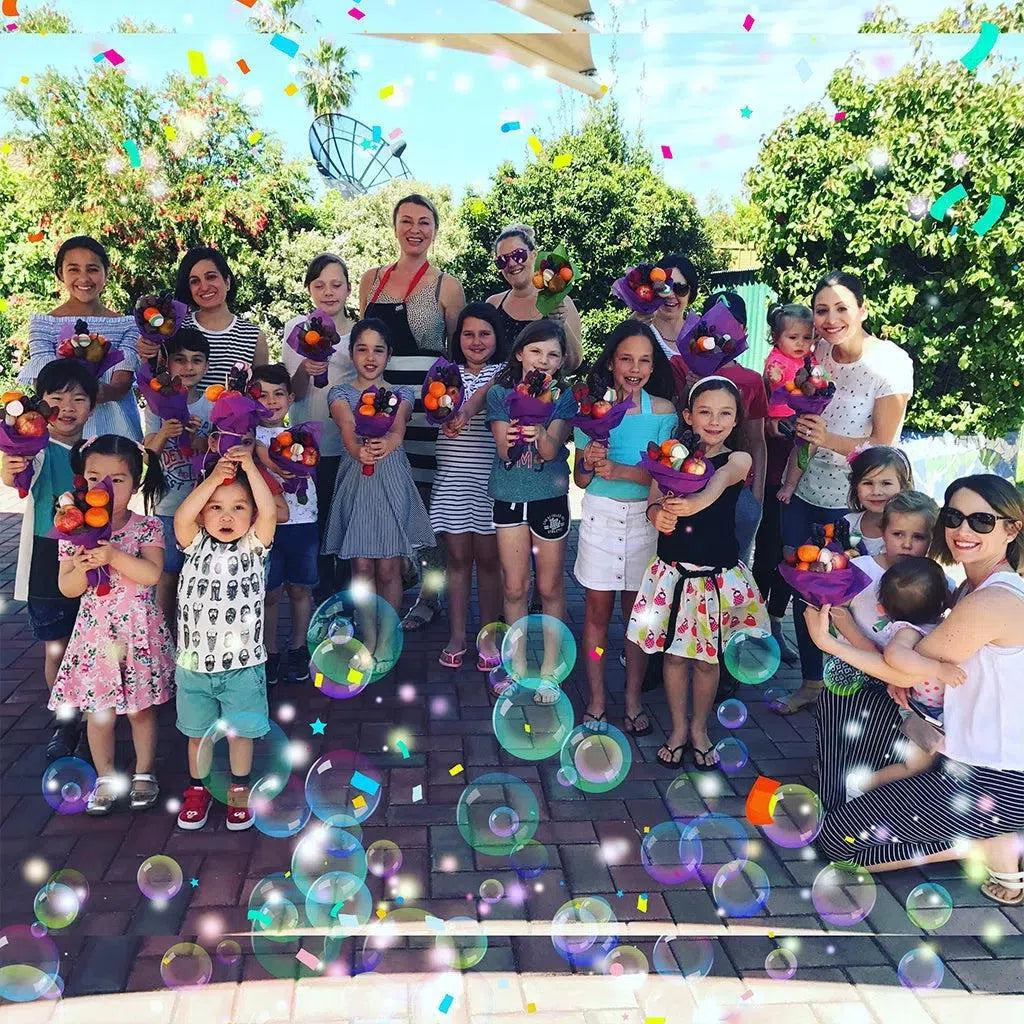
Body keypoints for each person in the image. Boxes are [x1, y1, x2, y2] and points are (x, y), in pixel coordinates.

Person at [809, 474, 1024, 907]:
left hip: (994, 778)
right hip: (959, 757)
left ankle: (988, 843)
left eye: (982, 521)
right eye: (955, 517)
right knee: (855, 792)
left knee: (838, 840)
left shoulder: (991, 601)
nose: (964, 530)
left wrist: (828, 642)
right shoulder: (968, 588)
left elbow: (902, 669)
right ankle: (983, 830)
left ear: (1011, 528)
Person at [772, 270, 914, 715]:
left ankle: (852, 695)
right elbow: (793, 407)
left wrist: (828, 439)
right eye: (822, 310)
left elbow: (885, 449)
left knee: (854, 600)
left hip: (855, 504)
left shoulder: (889, 363)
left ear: (862, 311)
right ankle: (812, 682)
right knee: (805, 587)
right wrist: (786, 424)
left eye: (841, 309)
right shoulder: (817, 354)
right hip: (804, 490)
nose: (830, 319)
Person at [626, 376, 767, 769]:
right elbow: (653, 503)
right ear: (688, 415)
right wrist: (661, 516)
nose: (714, 420)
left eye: (725, 413)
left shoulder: (738, 459)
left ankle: (700, 728)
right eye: (705, 411)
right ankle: (676, 728)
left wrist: (693, 503)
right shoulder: (669, 456)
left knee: (707, 661)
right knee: (673, 657)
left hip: (713, 580)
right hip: (672, 578)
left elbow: (719, 482)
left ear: (737, 419)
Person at [358, 193, 466, 631]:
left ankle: (429, 593)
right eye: (406, 221)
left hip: (426, 410)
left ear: (435, 229)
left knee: (428, 503)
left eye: (424, 222)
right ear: (395, 226)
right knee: (389, 497)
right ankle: (397, 576)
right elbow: (366, 342)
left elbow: (457, 355)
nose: (415, 229)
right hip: (379, 404)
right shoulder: (372, 280)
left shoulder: (446, 285)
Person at [48, 435, 172, 815]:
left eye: (117, 480)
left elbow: (151, 574)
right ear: (80, 481)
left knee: (140, 711)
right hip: (96, 636)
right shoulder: (73, 529)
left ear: (136, 485)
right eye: (93, 477)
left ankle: (144, 771)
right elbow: (66, 587)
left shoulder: (146, 527)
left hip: (136, 631)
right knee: (98, 713)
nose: (103, 487)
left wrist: (114, 555)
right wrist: (83, 568)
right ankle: (104, 776)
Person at [573, 320, 677, 734]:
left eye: (644, 361)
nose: (634, 368)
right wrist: (588, 459)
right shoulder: (592, 408)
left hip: (644, 522)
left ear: (653, 367)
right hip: (599, 517)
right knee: (596, 616)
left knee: (638, 618)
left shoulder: (664, 413)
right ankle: (597, 700)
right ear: (612, 362)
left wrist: (620, 469)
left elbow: (664, 478)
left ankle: (633, 700)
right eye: (626, 359)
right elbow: (581, 480)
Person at [807, 489, 942, 808]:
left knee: (886, 744)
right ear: (882, 532)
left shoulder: (934, 578)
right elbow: (839, 613)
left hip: (900, 682)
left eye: (918, 536)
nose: (907, 544)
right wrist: (879, 660)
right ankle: (836, 792)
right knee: (843, 737)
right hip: (856, 672)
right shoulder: (862, 569)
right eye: (898, 534)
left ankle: (873, 797)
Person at [173, 442, 278, 831]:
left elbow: (269, 510)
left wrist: (250, 467)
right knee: (197, 734)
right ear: (203, 515)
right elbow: (182, 515)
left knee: (240, 734)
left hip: (242, 667)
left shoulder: (255, 547)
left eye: (238, 507)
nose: (226, 515)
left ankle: (238, 791)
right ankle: (197, 788)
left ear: (251, 517)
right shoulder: (193, 544)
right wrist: (215, 477)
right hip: (194, 666)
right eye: (216, 507)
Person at [322, 319, 434, 667]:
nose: (370, 357)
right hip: (357, 479)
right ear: (352, 352)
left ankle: (388, 636)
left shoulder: (402, 394)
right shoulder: (339, 392)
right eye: (362, 348)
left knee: (388, 568)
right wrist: (359, 450)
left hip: (390, 478)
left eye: (378, 349)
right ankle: (366, 635)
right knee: (361, 567)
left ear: (388, 355)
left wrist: (384, 443)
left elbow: (398, 429)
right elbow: (346, 427)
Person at [2, 360, 97, 761]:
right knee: (56, 646)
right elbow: (15, 478)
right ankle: (65, 718)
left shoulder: (97, 450)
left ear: (92, 406)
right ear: (41, 403)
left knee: (93, 640)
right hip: (46, 556)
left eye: (79, 398)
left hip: (91, 558)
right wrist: (10, 465)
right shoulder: (35, 450)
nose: (68, 406)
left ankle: (97, 713)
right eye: (57, 398)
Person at [486, 319, 578, 701]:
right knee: (514, 585)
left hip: (549, 497)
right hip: (509, 494)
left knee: (550, 586)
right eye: (536, 351)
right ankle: (518, 666)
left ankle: (551, 671)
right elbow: (503, 450)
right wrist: (509, 436)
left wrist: (539, 433)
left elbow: (551, 450)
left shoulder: (565, 396)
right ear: (521, 352)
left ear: (560, 362)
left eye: (552, 355)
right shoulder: (498, 393)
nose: (543, 360)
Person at [817, 556, 958, 796]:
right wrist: (937, 669)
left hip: (937, 712)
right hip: (921, 713)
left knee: (928, 764)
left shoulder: (939, 626)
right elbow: (894, 656)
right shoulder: (908, 631)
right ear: (944, 601)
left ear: (881, 608)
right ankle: (861, 785)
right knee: (914, 766)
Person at [430, 303, 504, 670]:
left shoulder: (505, 373)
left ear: (496, 338)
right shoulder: (444, 373)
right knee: (458, 561)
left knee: (490, 563)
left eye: (484, 333)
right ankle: (457, 635)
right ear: (457, 338)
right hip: (452, 482)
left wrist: (465, 412)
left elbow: (487, 396)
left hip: (490, 484)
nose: (476, 341)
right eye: (468, 334)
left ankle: (488, 635)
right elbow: (431, 412)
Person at [671, 292, 767, 566]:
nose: (722, 331)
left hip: (737, 484)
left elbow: (757, 440)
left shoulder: (751, 380)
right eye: (714, 324)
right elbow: (676, 422)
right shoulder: (680, 365)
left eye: (732, 325)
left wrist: (756, 495)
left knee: (734, 563)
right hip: (687, 480)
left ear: (744, 331)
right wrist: (687, 387)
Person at [280, 253, 356, 599]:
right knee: (317, 524)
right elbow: (292, 394)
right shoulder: (297, 329)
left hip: (349, 446)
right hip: (307, 449)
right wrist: (304, 369)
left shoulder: (358, 333)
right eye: (320, 285)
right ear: (309, 289)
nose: (329, 292)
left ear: (348, 288)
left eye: (336, 284)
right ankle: (322, 601)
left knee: (347, 526)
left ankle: (351, 598)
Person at [18, 235, 142, 440]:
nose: (84, 278)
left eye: (92, 269)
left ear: (106, 273)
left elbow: (121, 384)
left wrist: (94, 392)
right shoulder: (43, 325)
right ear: (61, 273)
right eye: (74, 269)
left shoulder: (127, 325)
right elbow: (45, 384)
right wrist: (76, 397)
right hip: (61, 429)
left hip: (115, 428)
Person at [753, 302, 814, 664]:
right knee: (769, 553)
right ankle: (758, 627)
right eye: (794, 337)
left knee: (792, 556)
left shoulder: (807, 363)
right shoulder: (775, 366)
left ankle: (773, 622)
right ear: (775, 338)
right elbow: (770, 415)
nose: (802, 343)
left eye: (808, 337)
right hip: (777, 472)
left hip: (803, 475)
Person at [252, 363, 318, 686]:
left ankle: (298, 647)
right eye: (262, 395)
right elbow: (258, 452)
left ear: (291, 398)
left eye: (278, 394)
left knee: (301, 587)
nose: (271, 401)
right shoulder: (248, 437)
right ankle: (269, 651)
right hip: (265, 524)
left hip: (303, 520)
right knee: (269, 591)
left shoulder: (303, 434)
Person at [143, 327, 213, 628]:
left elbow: (215, 453)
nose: (188, 367)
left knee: (199, 577)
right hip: (167, 506)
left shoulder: (211, 403)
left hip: (204, 510)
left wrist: (201, 439)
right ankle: (164, 639)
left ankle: (193, 635)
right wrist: (164, 433)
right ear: (167, 363)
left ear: (206, 366)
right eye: (180, 360)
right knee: (168, 575)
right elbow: (147, 454)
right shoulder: (155, 404)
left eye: (196, 360)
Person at [136, 247, 269, 388]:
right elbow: (153, 377)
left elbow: (261, 392)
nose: (204, 287)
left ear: (227, 281)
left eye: (211, 277)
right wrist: (146, 349)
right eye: (195, 281)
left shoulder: (254, 337)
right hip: (178, 410)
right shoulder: (173, 327)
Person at [485, 224, 583, 368]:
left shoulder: (560, 302)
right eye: (502, 260)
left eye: (518, 255)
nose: (511, 263)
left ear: (534, 255)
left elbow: (573, 363)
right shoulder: (493, 304)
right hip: (498, 389)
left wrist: (561, 324)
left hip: (546, 389)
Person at [632, 254, 701, 360]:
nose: (670, 295)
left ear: (690, 293)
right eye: (664, 287)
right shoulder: (640, 328)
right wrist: (629, 328)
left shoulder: (701, 333)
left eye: (680, 288)